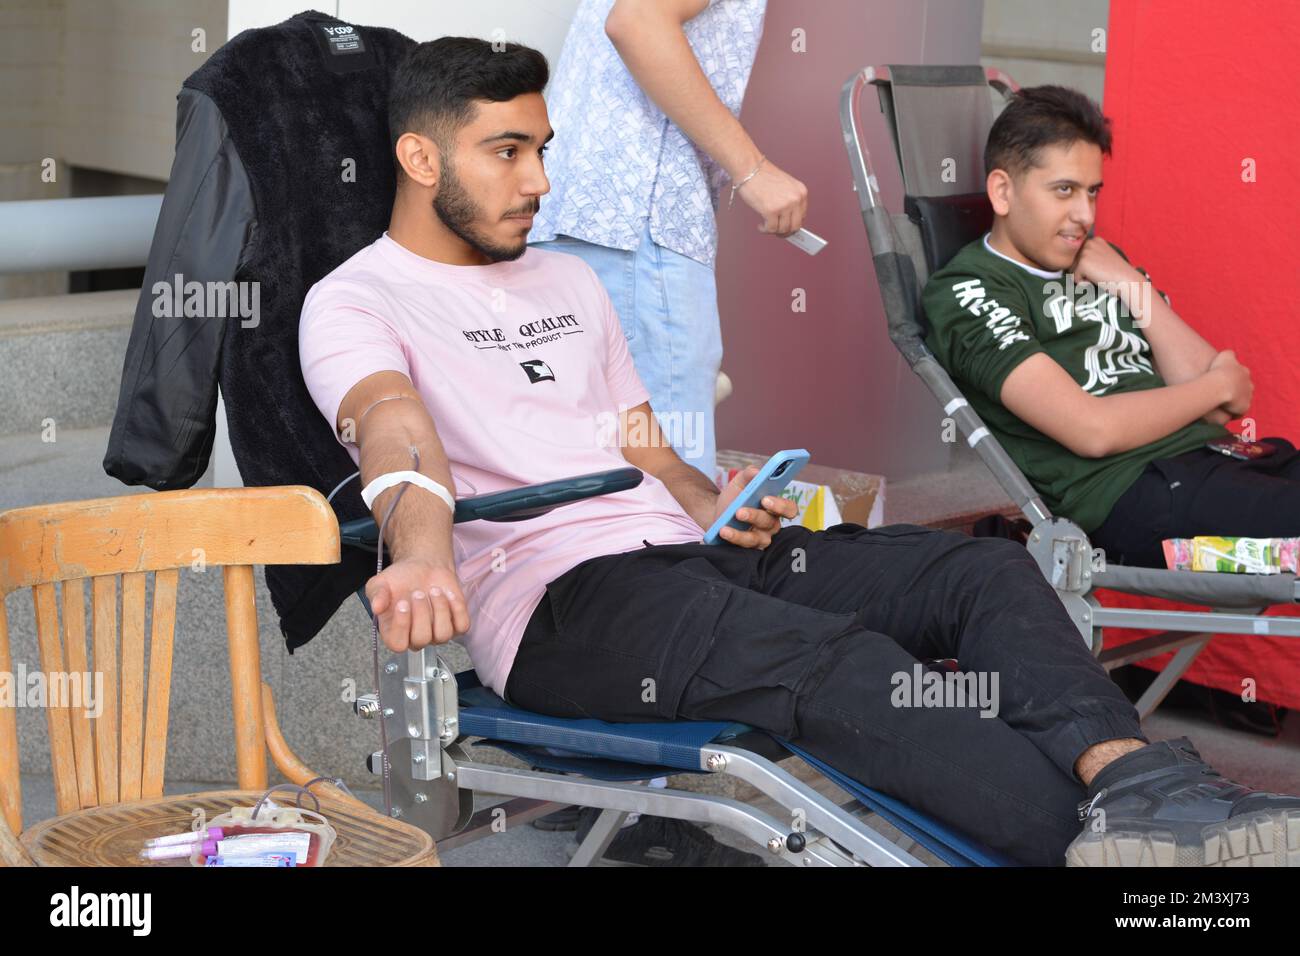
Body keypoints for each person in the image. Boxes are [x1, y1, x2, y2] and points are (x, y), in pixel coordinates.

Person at [299, 40, 1300, 867]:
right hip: (564, 603)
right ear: (421, 160)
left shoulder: (564, 279)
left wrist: (716, 499)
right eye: (506, 152)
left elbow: (640, 440)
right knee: (837, 662)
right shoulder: (356, 297)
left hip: (691, 558)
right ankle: (1111, 855)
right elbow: (396, 428)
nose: (539, 181)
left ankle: (1137, 787)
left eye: (542, 150)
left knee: (980, 569)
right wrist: (423, 549)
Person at [921, 85, 1300, 572]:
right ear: (1003, 191)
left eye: (1092, 191)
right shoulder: (969, 291)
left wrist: (1129, 284)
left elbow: (1231, 403)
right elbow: (1091, 430)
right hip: (1132, 495)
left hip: (1218, 460)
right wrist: (1212, 387)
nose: (1084, 215)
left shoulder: (1101, 261)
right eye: (1064, 190)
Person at [528, 0, 807, 480]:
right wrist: (753, 169)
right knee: (673, 484)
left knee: (582, 477)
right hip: (636, 224)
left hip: (587, 215)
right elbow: (637, 22)